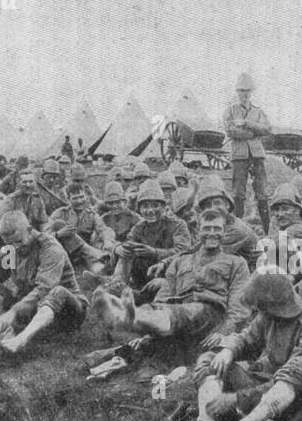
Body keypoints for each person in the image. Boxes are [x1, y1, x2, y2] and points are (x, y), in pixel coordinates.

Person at [171, 270, 302, 421]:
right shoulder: (269, 317)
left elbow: (296, 376)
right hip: (275, 394)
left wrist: (236, 399)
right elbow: (245, 338)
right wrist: (229, 350)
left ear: (274, 305)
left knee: (301, 364)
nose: (260, 313)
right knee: (211, 360)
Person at [96, 208, 251, 344]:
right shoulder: (181, 261)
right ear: (198, 231)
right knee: (141, 348)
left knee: (190, 311)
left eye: (217, 228)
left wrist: (223, 333)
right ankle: (134, 318)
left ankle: (129, 316)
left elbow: (238, 309)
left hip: (210, 315)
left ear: (224, 232)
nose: (212, 233)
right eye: (207, 228)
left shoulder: (236, 263)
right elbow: (166, 294)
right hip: (177, 316)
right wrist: (152, 330)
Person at [0, 211, 89, 354]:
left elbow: (44, 288)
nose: (15, 247)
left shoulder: (49, 248)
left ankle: (19, 341)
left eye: (18, 241)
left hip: (66, 313)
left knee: (57, 291)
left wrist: (13, 311)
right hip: (31, 310)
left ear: (30, 230)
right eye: (9, 243)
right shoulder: (10, 251)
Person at [114, 179, 193, 291]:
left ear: (163, 207)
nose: (150, 210)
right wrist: (118, 248)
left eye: (155, 205)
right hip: (144, 274)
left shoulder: (178, 225)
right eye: (145, 206)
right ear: (140, 209)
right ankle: (117, 285)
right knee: (125, 252)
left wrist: (155, 253)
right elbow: (128, 243)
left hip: (168, 272)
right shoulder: (138, 228)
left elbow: (183, 251)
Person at [223, 72, 273, 232]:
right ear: (237, 92)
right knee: (238, 193)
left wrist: (247, 123)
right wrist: (253, 133)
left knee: (262, 193)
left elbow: (266, 128)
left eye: (247, 91)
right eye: (241, 91)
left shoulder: (258, 111)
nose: (244, 94)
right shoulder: (230, 111)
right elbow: (231, 131)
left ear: (251, 92)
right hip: (240, 156)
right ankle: (237, 230)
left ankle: (267, 231)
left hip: (257, 155)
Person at [194, 175, 261, 270]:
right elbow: (196, 248)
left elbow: (210, 255)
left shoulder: (235, 230)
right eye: (208, 205)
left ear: (227, 205)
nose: (213, 208)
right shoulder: (222, 224)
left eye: (217, 203)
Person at [45, 183, 115, 272]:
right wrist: (58, 234)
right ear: (68, 199)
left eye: (81, 197)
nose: (79, 201)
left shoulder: (91, 215)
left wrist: (107, 240)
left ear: (86, 197)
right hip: (64, 253)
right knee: (59, 224)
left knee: (98, 270)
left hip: (83, 256)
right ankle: (91, 252)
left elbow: (103, 229)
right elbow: (44, 236)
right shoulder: (60, 213)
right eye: (75, 198)